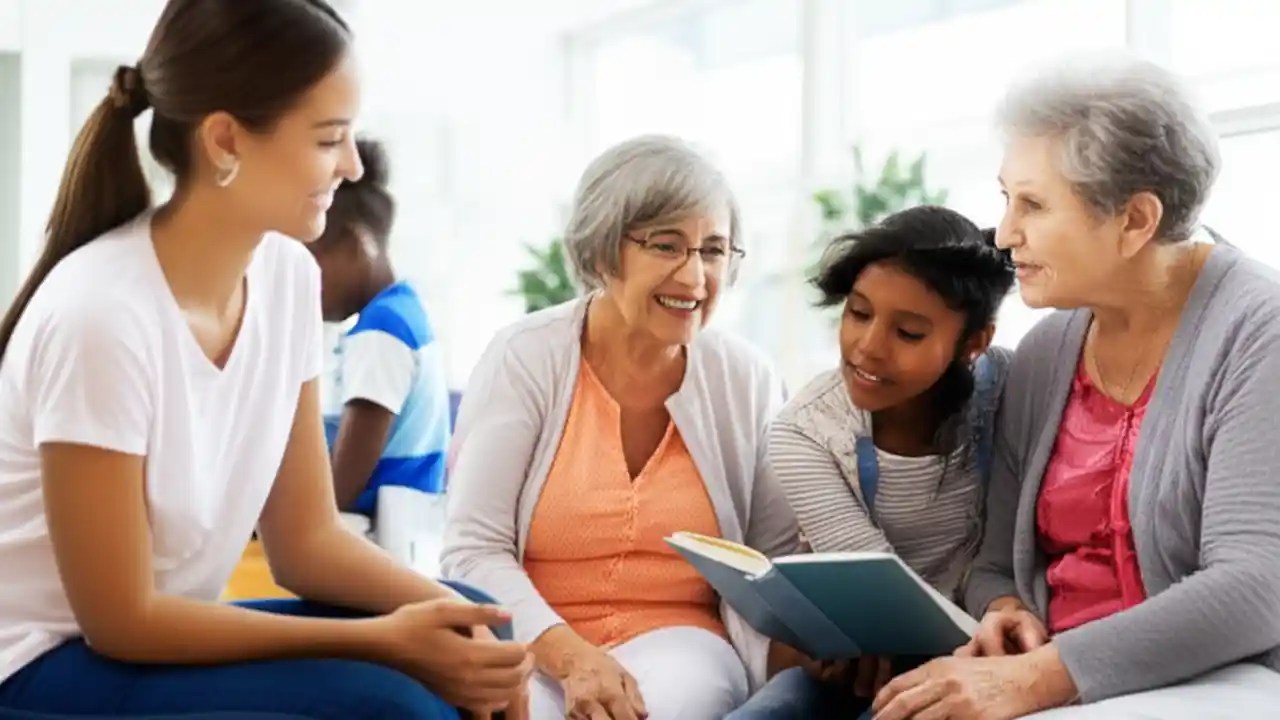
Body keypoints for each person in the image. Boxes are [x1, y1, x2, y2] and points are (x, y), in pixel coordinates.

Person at [0, 2, 530, 718]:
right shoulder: (101, 315)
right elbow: (120, 620)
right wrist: (386, 642)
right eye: (328, 139)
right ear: (225, 140)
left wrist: (456, 621)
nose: (349, 166)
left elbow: (305, 542)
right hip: (42, 662)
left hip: (142, 640)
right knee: (392, 704)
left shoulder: (286, 278)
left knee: (472, 615)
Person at [872, 55, 1280, 720]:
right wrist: (1004, 612)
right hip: (1057, 684)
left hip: (1224, 682)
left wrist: (1038, 677)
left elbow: (1257, 588)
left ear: (1135, 221)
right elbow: (997, 563)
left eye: (1032, 204)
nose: (1005, 234)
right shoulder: (1044, 353)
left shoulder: (1261, 332)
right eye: (1008, 199)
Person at [441, 135, 802, 720]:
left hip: (680, 641)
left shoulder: (745, 378)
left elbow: (772, 559)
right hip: (531, 637)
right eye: (667, 246)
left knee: (673, 704)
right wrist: (573, 656)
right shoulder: (525, 357)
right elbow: (473, 550)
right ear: (605, 252)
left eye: (713, 250)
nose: (695, 276)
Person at [727, 207, 1016, 719]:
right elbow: (886, 600)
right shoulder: (806, 432)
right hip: (865, 651)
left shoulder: (1009, 392)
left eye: (908, 333)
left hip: (976, 655)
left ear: (973, 344)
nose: (867, 347)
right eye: (858, 313)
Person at [308, 137, 451, 519]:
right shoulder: (405, 311)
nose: (300, 280)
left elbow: (337, 491)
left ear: (356, 245)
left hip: (379, 539)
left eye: (308, 261)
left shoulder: (381, 331)